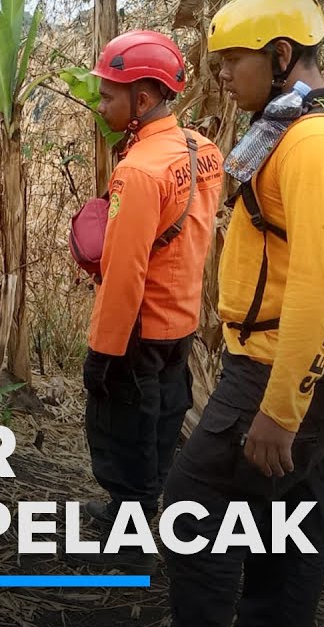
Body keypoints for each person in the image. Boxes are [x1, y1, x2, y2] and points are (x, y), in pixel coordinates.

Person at [162, 0, 324, 627]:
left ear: (284, 54)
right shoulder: (294, 124)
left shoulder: (317, 144)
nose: (224, 75)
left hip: (286, 366)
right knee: (285, 515)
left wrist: (281, 411)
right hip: (312, 358)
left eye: (234, 59)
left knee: (195, 506)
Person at [78, 30, 225, 552]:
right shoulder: (203, 150)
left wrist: (103, 351)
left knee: (125, 429)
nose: (101, 103)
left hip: (139, 327)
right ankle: (128, 514)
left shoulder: (138, 171)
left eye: (109, 95)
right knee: (161, 422)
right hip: (180, 321)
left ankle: (130, 542)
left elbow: (123, 272)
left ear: (142, 99)